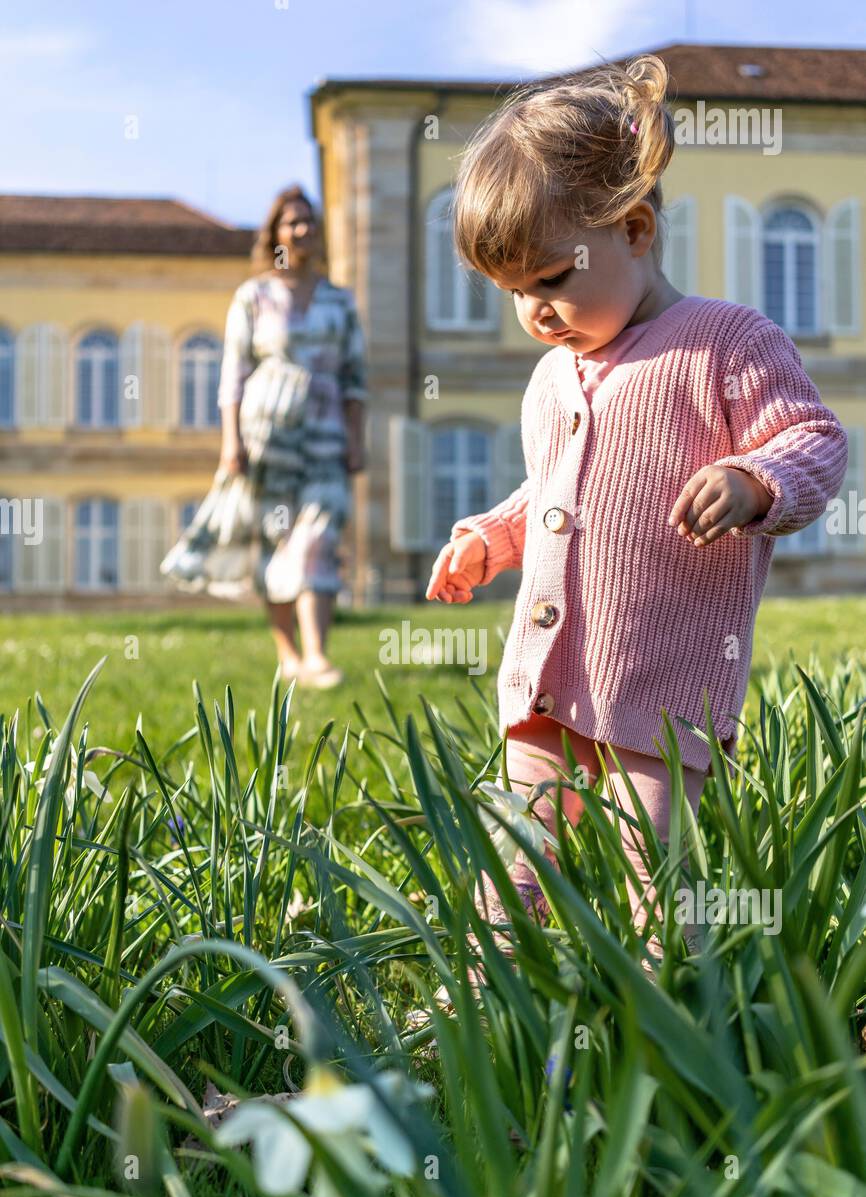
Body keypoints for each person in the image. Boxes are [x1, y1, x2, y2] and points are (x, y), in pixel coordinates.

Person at [425, 54, 848, 978]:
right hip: (545, 684)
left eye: (548, 279)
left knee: (655, 869)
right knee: (518, 861)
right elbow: (554, 492)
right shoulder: (553, 376)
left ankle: (668, 1015)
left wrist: (753, 481)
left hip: (662, 688)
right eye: (513, 295)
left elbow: (815, 439)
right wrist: (490, 537)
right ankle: (483, 1008)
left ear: (637, 229)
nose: (535, 313)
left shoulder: (725, 343)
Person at [217, 184, 368, 688]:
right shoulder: (253, 296)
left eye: (308, 220)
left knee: (319, 537)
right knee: (275, 541)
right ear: (275, 233)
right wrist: (231, 442)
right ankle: (288, 654)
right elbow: (233, 374)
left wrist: (356, 437)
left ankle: (318, 654)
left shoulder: (338, 300)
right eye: (291, 222)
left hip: (325, 432)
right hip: (266, 432)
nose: (301, 229)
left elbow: (355, 377)